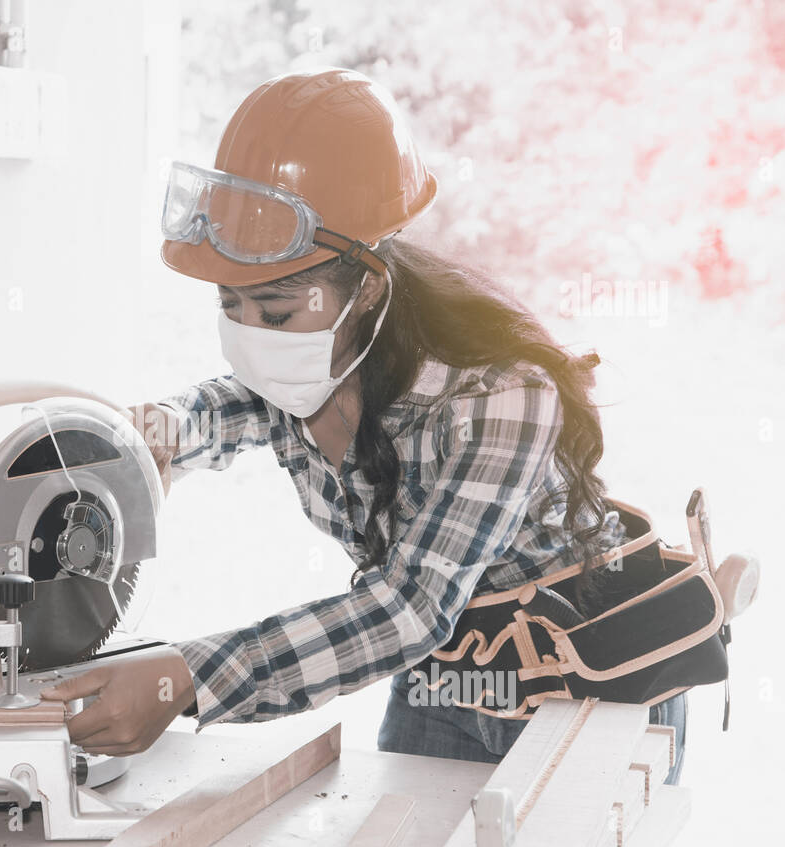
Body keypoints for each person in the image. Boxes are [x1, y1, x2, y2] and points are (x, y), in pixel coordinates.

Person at [40, 68, 687, 783]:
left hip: (590, 675)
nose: (252, 335)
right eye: (231, 306)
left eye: (278, 313)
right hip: (446, 671)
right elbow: (216, 409)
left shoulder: (502, 396)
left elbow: (409, 607)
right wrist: (135, 439)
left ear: (368, 286)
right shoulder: (300, 373)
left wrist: (187, 677)